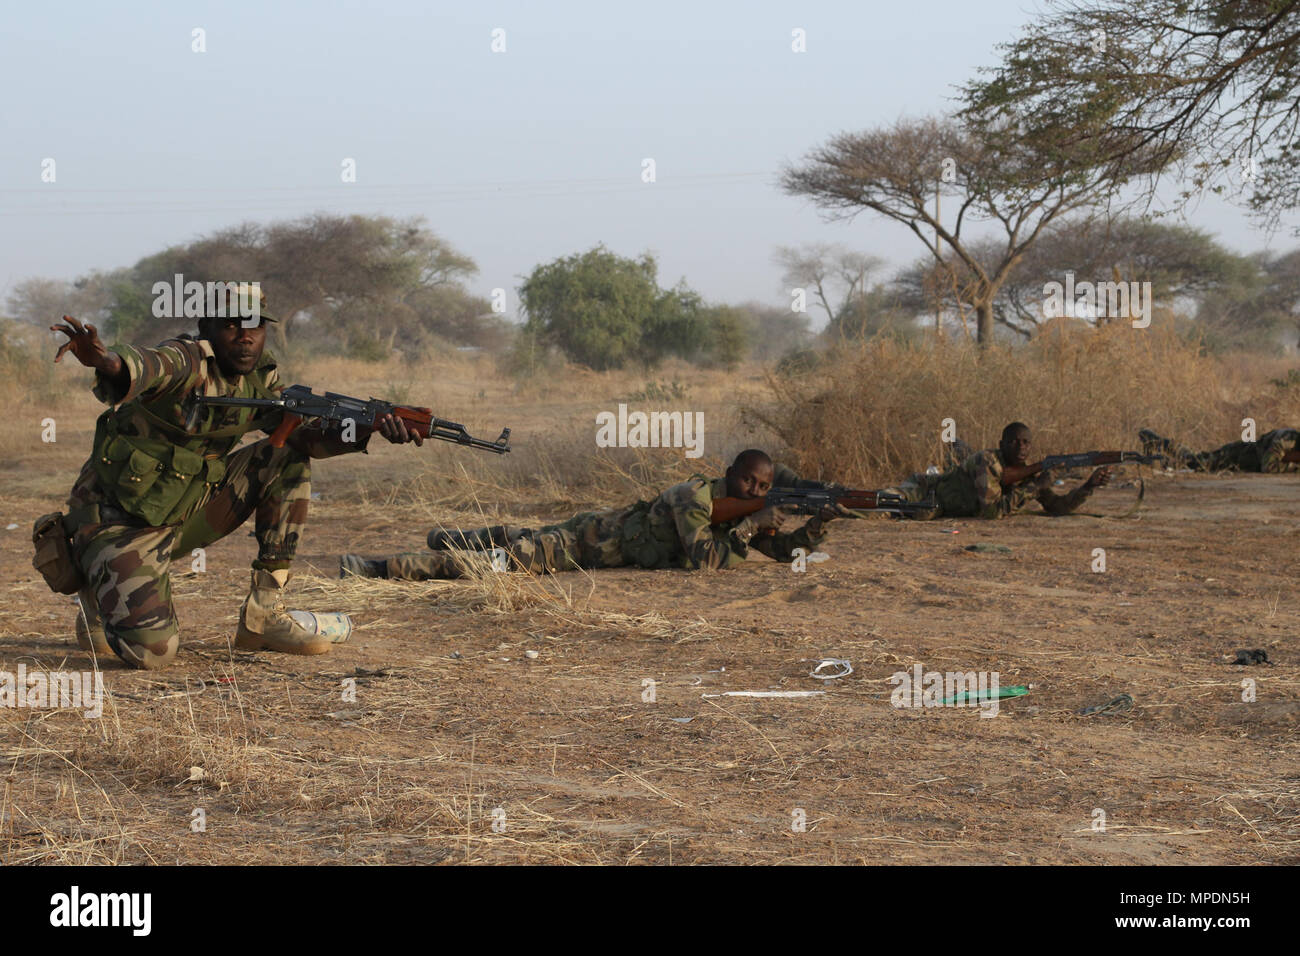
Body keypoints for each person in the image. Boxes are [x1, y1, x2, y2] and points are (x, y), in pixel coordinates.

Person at [45, 286, 421, 669]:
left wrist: (366, 430)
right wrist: (105, 361)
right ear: (205, 328)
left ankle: (264, 618)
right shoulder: (185, 360)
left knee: (286, 454)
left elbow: (306, 439)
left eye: (255, 326)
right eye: (230, 325)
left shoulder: (260, 378)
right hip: (116, 526)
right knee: (152, 654)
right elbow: (143, 364)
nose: (245, 337)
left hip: (182, 513)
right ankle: (97, 589)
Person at [340, 449, 837, 579]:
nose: (755, 489)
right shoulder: (695, 496)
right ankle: (381, 567)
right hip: (586, 544)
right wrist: (753, 522)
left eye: (765, 487)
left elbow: (779, 552)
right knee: (500, 563)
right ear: (730, 473)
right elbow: (706, 559)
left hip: (594, 534)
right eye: (750, 481)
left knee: (518, 537)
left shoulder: (734, 510)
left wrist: (819, 522)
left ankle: (446, 538)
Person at [886, 422, 1112, 519]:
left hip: (933, 507)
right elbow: (992, 513)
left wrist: (1088, 486)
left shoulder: (1025, 472)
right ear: (1002, 443)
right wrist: (1035, 485)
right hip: (921, 491)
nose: (1021, 447)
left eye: (1026, 442)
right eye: (1015, 442)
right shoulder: (987, 461)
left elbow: (1057, 507)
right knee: (878, 505)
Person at [1139, 427, 1300, 474]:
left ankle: (1159, 454)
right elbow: (1269, 467)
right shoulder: (1286, 440)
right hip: (1236, 455)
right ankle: (1155, 443)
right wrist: (1295, 468)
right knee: (1193, 462)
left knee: (1194, 461)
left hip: (1243, 462)